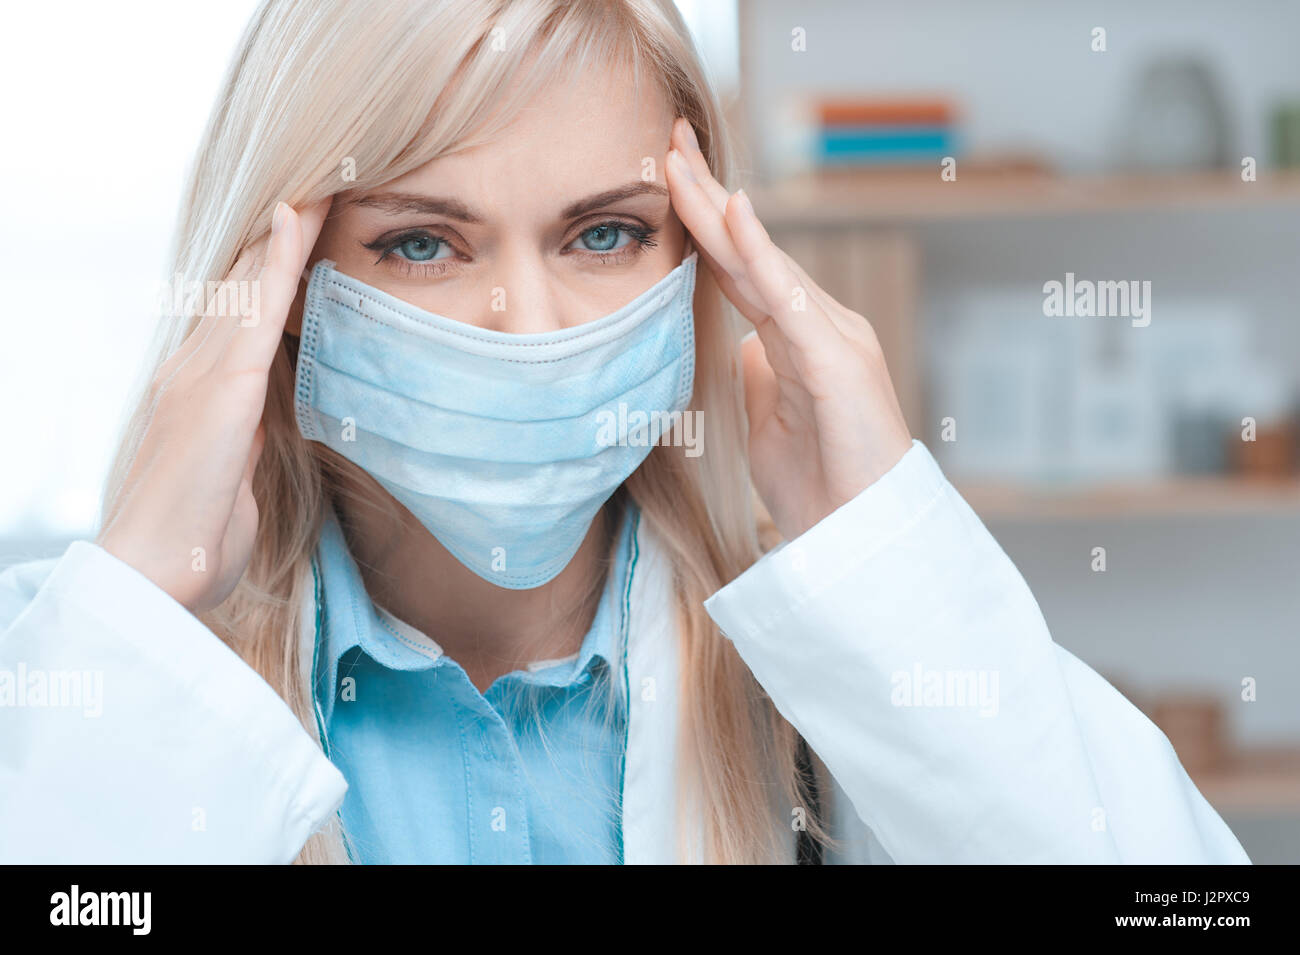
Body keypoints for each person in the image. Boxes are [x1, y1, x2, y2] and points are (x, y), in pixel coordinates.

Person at [0, 0, 1249, 864]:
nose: (526, 326)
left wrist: (890, 549)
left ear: (700, 259)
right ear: (276, 297)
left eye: (603, 234)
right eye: (420, 243)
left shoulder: (843, 701)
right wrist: (144, 615)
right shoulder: (72, 681)